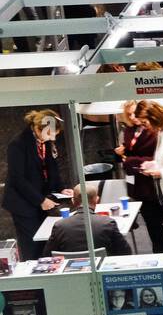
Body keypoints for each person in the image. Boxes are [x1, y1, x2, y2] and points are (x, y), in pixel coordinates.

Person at [3, 109, 73, 261]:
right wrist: (40, 200)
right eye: (49, 134)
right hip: (23, 203)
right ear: (39, 128)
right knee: (32, 244)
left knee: (45, 242)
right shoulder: (18, 144)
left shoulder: (45, 142)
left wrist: (61, 188)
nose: (50, 138)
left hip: (39, 197)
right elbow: (18, 179)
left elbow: (51, 167)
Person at [115, 101, 163, 253]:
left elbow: (154, 158)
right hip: (136, 184)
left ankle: (162, 254)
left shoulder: (153, 130)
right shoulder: (129, 130)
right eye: (129, 114)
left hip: (152, 184)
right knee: (151, 225)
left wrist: (130, 160)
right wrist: (121, 154)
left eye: (135, 113)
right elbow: (127, 155)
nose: (133, 117)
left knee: (155, 225)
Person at [45, 186, 130, 257]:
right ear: (97, 200)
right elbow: (125, 252)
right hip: (102, 273)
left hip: (73, 274)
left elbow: (47, 256)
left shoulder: (60, 226)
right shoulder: (108, 223)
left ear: (73, 200)